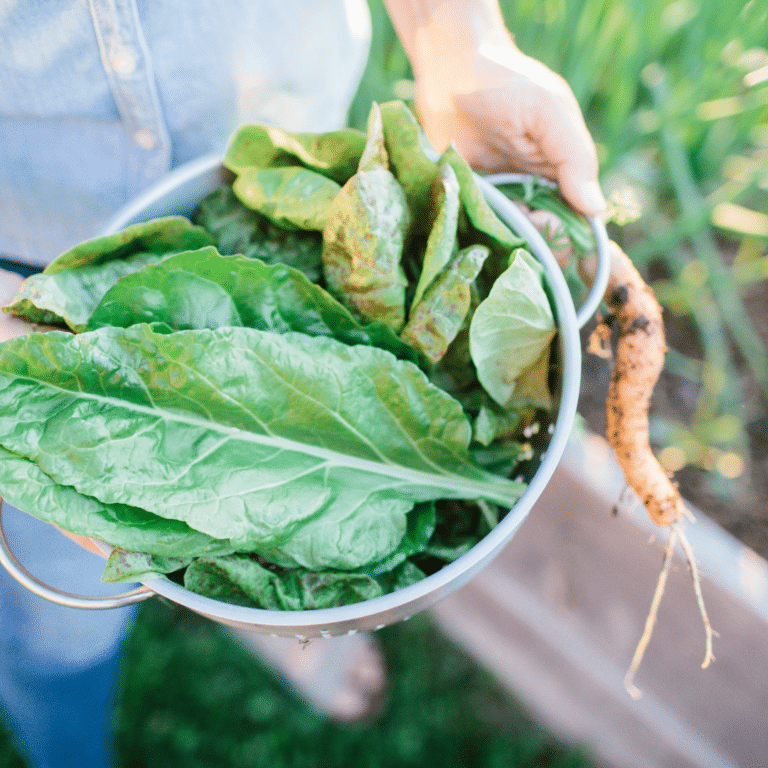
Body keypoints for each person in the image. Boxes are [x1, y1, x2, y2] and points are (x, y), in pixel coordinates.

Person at [0, 1, 605, 765]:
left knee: (246, 515)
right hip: (25, 263)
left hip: (281, 127)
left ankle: (278, 616)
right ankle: (70, 748)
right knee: (62, 614)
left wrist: (459, 34)